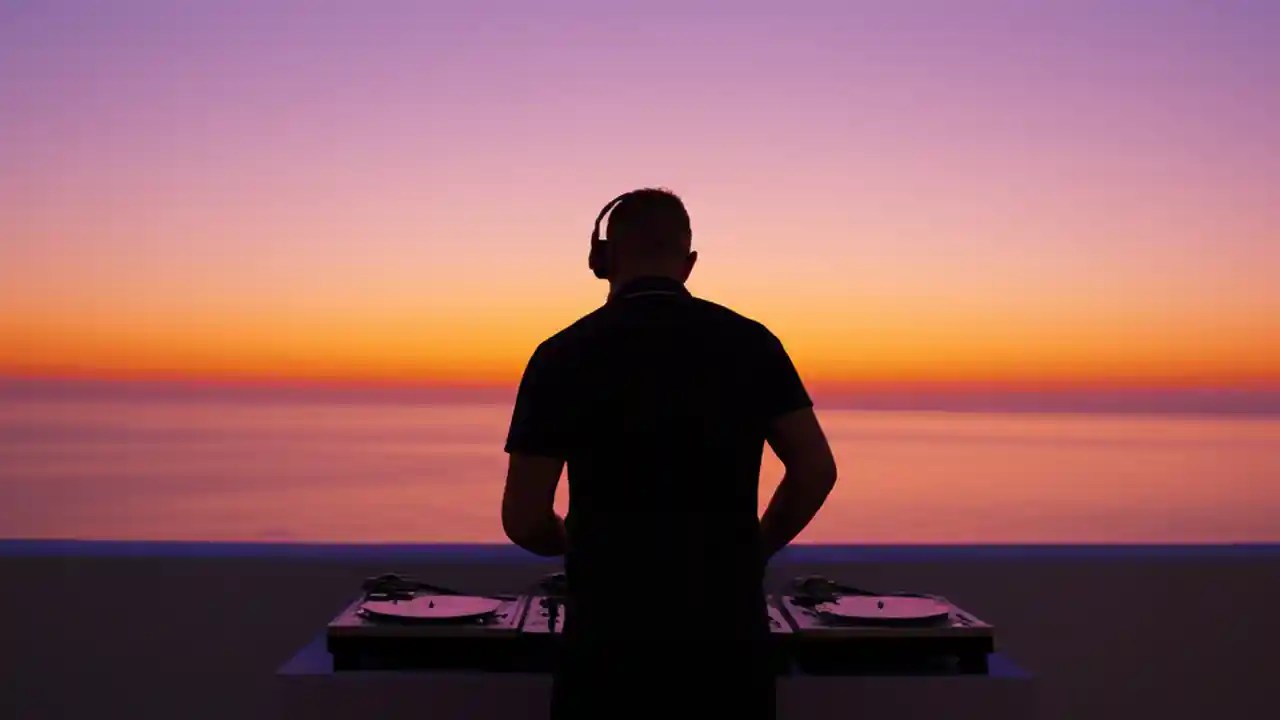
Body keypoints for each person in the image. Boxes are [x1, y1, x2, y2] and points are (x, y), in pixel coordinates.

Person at [501, 188, 838, 720]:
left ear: (601, 258)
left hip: (607, 643)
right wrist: (755, 548)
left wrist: (575, 544)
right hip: (727, 641)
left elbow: (523, 519)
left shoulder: (561, 355)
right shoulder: (752, 343)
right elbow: (816, 469)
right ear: (689, 263)